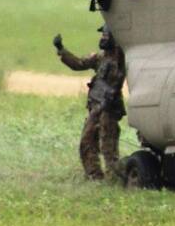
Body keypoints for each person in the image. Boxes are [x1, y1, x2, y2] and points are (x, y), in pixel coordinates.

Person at [54, 27, 127, 181]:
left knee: (108, 147)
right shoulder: (100, 58)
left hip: (109, 108)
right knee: (87, 142)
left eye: (106, 36)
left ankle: (116, 178)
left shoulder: (121, 59)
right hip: (96, 107)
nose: (103, 38)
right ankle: (94, 176)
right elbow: (79, 64)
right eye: (102, 35)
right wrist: (61, 50)